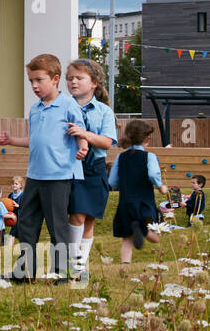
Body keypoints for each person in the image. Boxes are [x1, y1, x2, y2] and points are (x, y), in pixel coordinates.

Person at [0, 54, 88, 285]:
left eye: (39, 80)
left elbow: (80, 132)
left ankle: (64, 273)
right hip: (34, 176)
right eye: (31, 81)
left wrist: (83, 148)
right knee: (26, 224)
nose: (34, 86)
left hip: (58, 177)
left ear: (55, 79)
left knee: (57, 227)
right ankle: (25, 272)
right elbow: (35, 140)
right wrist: (11, 141)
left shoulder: (68, 106)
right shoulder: (35, 109)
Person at [64, 58, 118, 282]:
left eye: (79, 78)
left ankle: (81, 266)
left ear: (94, 83)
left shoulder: (104, 111)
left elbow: (107, 142)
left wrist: (84, 134)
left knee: (89, 219)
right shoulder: (63, 106)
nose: (73, 82)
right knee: (76, 214)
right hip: (71, 166)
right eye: (70, 78)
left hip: (95, 168)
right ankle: (71, 265)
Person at [108, 120, 168, 262]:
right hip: (144, 205)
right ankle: (143, 230)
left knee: (127, 239)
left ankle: (125, 265)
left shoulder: (120, 157)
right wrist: (161, 186)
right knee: (154, 236)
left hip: (125, 204)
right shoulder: (149, 157)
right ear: (147, 138)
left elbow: (112, 181)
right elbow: (153, 175)